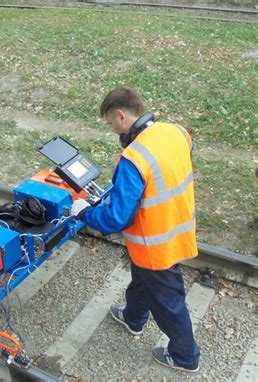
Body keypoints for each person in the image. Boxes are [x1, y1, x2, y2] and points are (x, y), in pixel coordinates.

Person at [71, 86, 200, 373]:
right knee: (141, 279)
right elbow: (183, 156)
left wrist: (86, 213)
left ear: (121, 116)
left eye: (111, 124)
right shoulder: (175, 132)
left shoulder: (133, 158)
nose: (113, 130)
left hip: (156, 245)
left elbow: (117, 218)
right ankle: (133, 318)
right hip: (177, 226)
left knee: (168, 301)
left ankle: (185, 356)